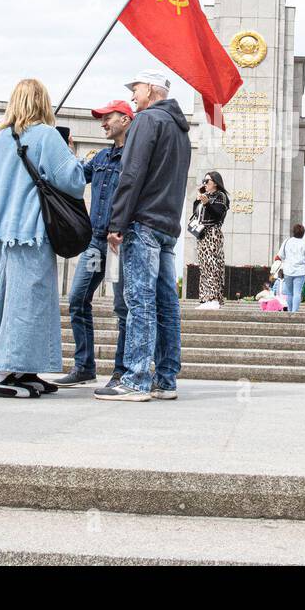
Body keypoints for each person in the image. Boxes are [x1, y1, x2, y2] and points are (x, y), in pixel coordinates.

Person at [0, 78, 85, 400]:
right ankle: (1, 375)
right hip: (31, 234)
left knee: (18, 305)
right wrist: (69, 153)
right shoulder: (47, 136)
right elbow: (74, 181)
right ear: (43, 103)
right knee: (27, 306)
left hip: (1, 238)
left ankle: (24, 369)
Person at [96, 70, 191, 402]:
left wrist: (117, 222)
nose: (133, 96)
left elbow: (131, 173)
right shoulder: (180, 129)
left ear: (151, 89)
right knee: (167, 305)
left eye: (135, 89)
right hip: (167, 227)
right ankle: (166, 380)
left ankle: (135, 378)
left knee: (139, 302)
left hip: (143, 224)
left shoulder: (147, 120)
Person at [59, 100, 133, 388]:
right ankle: (84, 365)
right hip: (95, 243)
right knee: (77, 298)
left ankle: (121, 370)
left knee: (122, 306)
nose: (103, 123)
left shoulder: (134, 157)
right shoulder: (102, 157)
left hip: (119, 244)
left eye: (108, 117)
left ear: (126, 119)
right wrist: (64, 152)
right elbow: (75, 176)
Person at [193, 170, 230, 311]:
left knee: (213, 266)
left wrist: (207, 203)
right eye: (204, 181)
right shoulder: (204, 196)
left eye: (207, 181)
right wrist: (198, 199)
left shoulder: (220, 196)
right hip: (202, 233)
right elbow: (194, 213)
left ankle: (214, 298)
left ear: (215, 182)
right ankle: (204, 298)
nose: (205, 184)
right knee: (204, 267)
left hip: (212, 233)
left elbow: (218, 215)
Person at [275, 224, 305, 313]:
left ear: (293, 232)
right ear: (303, 233)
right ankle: (294, 312)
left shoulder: (287, 241)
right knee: (297, 292)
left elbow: (280, 255)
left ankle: (289, 310)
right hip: (300, 271)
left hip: (288, 270)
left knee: (289, 292)